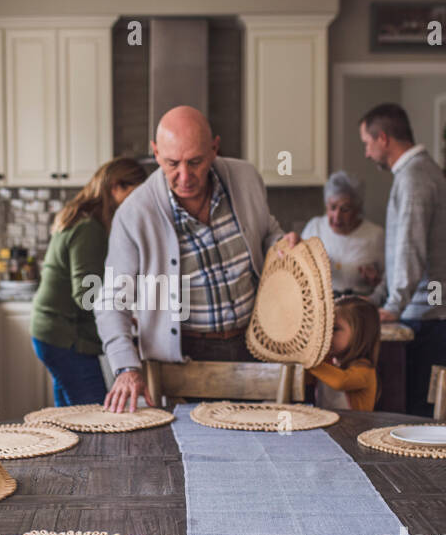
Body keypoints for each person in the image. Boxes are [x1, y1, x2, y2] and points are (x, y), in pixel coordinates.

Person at [98, 106, 299, 412]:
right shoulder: (134, 213)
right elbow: (112, 300)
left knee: (258, 444)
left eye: (195, 162)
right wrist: (126, 367)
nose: (184, 176)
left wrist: (282, 244)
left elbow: (267, 233)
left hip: (254, 341)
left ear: (214, 148)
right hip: (184, 357)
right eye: (171, 163)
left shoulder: (245, 178)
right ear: (155, 153)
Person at [359, 103, 446, 417]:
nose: (367, 153)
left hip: (435, 316)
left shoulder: (414, 179)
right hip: (432, 312)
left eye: (367, 144)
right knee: (424, 410)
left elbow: (410, 249)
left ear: (383, 138)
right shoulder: (417, 172)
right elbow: (400, 255)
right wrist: (377, 297)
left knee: (421, 414)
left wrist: (393, 306)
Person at [31, 158, 145, 406]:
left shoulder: (81, 217)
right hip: (66, 337)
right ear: (116, 187)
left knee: (70, 419)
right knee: (95, 413)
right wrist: (116, 312)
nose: (138, 205)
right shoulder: (89, 228)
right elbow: (85, 294)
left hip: (50, 332)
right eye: (134, 195)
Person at [301, 171, 385, 302]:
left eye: (345, 209)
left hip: (360, 306)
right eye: (332, 207)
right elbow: (299, 271)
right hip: (321, 305)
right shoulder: (314, 227)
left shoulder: (375, 235)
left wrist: (376, 280)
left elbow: (389, 282)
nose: (337, 216)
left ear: (358, 209)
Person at [308, 296, 381, 412]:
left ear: (359, 334)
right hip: (329, 426)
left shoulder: (365, 370)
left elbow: (341, 381)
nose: (327, 335)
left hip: (356, 429)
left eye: (335, 329)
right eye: (326, 328)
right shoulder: (329, 362)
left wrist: (308, 360)